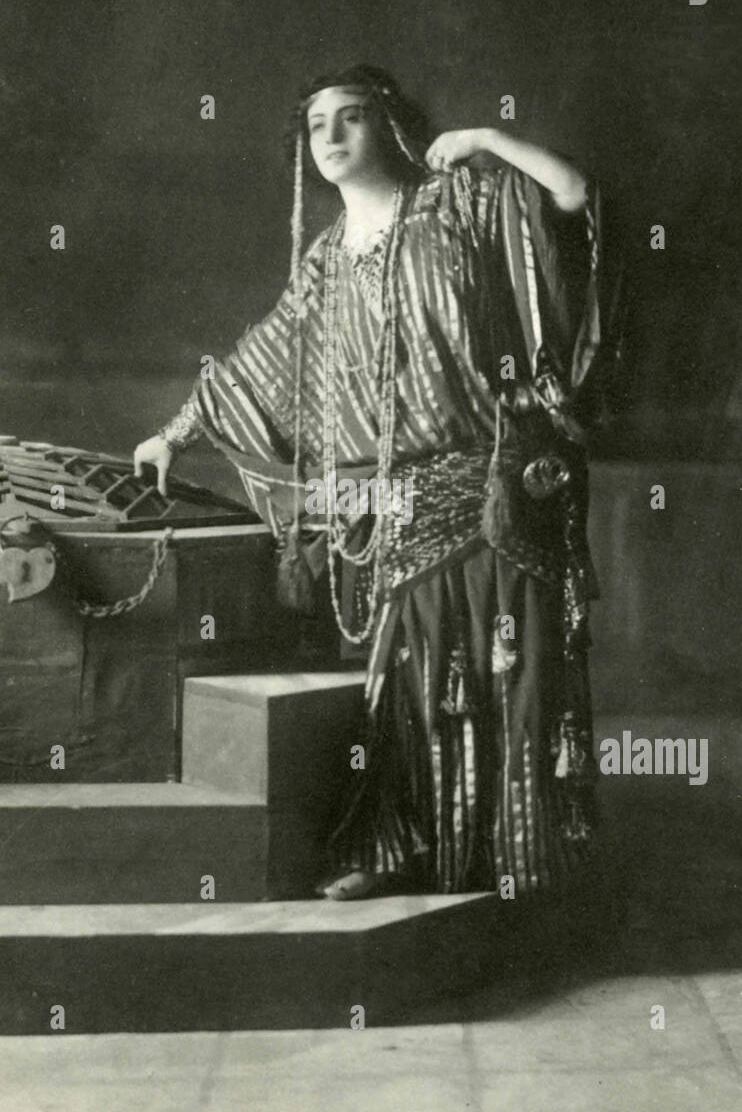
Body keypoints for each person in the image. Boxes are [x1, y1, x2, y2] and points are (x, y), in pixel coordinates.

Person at [134, 63, 605, 901]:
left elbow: (571, 196)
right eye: (317, 126)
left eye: (351, 118)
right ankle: (403, 854)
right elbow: (252, 368)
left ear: (389, 125)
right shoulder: (322, 262)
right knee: (410, 690)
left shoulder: (459, 202)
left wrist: (489, 140)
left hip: (496, 485)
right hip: (396, 506)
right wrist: (174, 435)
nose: (332, 137)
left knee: (516, 674)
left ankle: (530, 869)